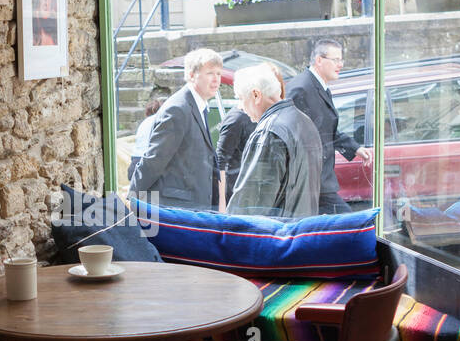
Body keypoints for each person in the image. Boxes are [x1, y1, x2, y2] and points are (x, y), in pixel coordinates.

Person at [287, 38, 371, 214]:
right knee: (349, 225)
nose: (340, 64)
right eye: (336, 60)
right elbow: (290, 135)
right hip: (309, 180)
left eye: (341, 59)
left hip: (318, 180)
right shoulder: (301, 88)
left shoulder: (319, 86)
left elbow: (326, 129)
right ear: (319, 60)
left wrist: (355, 148)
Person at [130, 48, 221, 210]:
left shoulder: (198, 106)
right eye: (210, 73)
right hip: (177, 211)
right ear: (192, 75)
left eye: (218, 74)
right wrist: (132, 197)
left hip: (193, 209)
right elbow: (154, 160)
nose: (216, 80)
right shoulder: (178, 109)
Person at [227, 65, 323, 219]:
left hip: (276, 236)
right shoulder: (304, 121)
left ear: (256, 95)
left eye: (240, 98)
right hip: (301, 232)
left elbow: (249, 207)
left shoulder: (269, 132)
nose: (240, 106)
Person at [128, 95, 164, 185]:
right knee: (153, 197)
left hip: (135, 164)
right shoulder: (160, 120)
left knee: (138, 197)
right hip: (148, 164)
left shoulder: (144, 123)